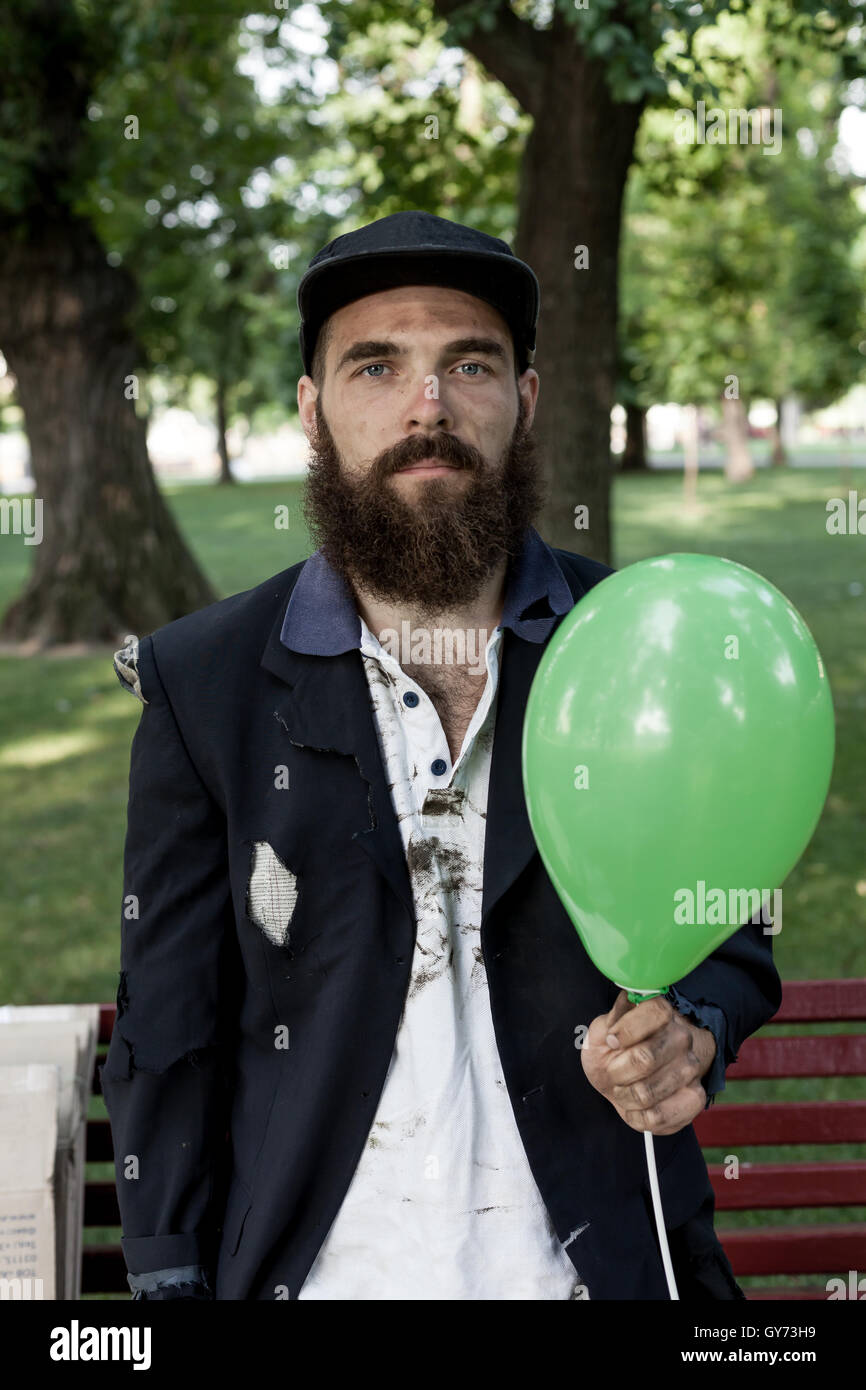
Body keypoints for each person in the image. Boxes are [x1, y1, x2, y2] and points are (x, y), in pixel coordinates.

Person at [100, 210, 781, 1301]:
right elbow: (169, 1026)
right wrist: (169, 1280)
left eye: (467, 363)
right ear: (313, 416)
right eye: (377, 365)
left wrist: (689, 1028)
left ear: (525, 399)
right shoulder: (204, 680)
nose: (428, 406)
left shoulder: (641, 639)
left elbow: (721, 912)